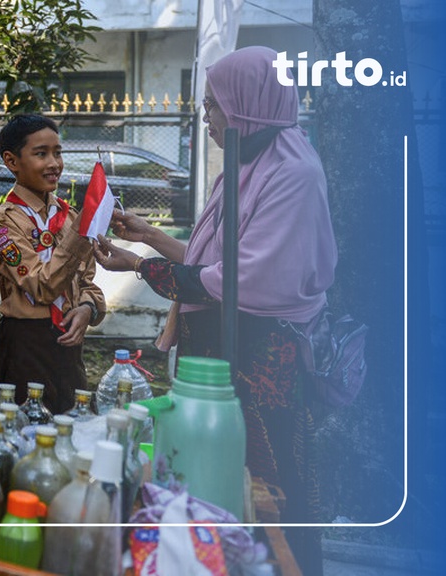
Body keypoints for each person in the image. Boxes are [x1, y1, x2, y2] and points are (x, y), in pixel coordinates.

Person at [93, 46, 335, 575]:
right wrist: (153, 237)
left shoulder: (291, 175)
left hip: (258, 361)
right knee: (214, 480)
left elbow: (241, 283)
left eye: (214, 104)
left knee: (266, 490)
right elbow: (218, 263)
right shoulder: (245, 166)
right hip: (222, 354)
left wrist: (139, 264)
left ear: (248, 105)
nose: (206, 116)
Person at [0, 114, 106, 414]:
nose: (54, 163)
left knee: (72, 424)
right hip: (26, 343)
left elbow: (88, 281)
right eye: (41, 154)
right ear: (12, 161)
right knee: (27, 429)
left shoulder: (71, 217)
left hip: (68, 341)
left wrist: (87, 309)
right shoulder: (3, 222)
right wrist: (78, 237)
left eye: (58, 152)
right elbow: (41, 286)